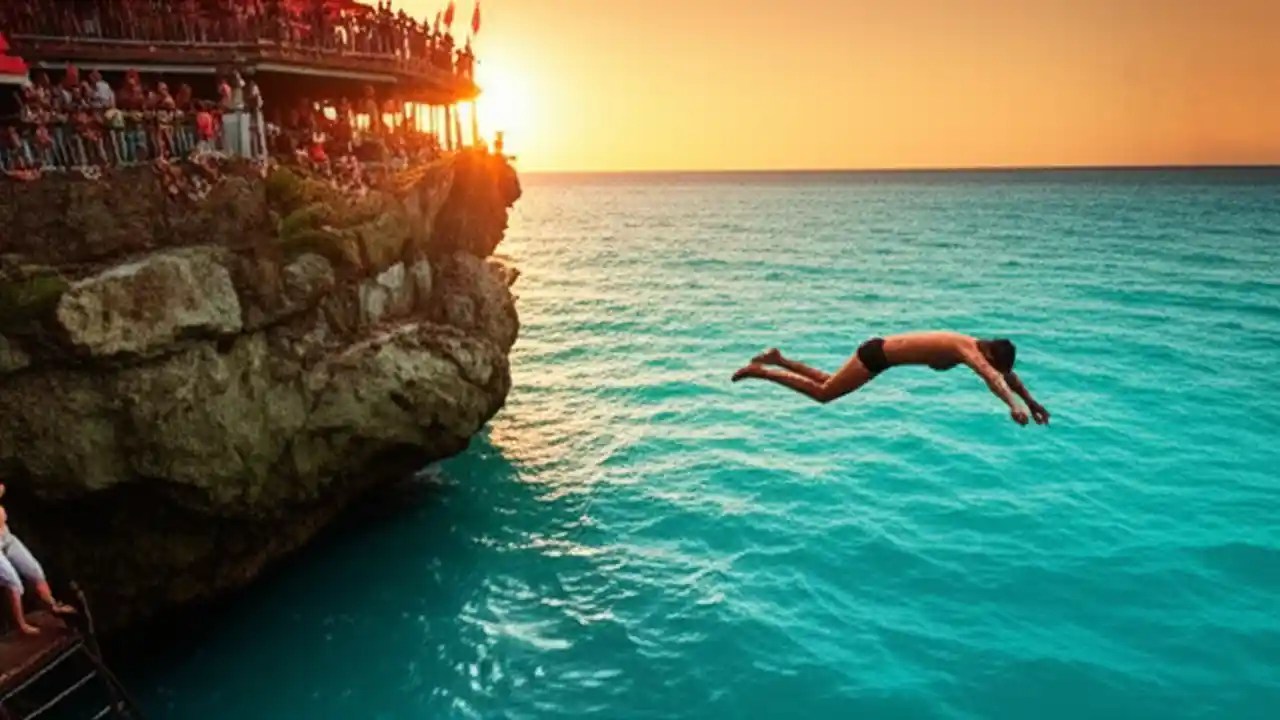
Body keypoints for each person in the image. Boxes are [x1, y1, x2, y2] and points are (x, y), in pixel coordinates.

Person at [733, 332, 1050, 425]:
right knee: (824, 394)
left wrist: (1031, 402)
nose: (994, 369)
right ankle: (763, 372)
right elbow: (992, 379)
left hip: (879, 357)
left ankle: (779, 359)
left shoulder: (982, 348)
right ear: (990, 356)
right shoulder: (966, 350)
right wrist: (1012, 406)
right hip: (876, 354)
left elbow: (1006, 376)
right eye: (994, 365)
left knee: (828, 381)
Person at [0, 484, 75, 635]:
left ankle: (52, 605)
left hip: (6, 537)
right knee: (13, 583)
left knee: (35, 571)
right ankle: (20, 626)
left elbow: (1, 488)